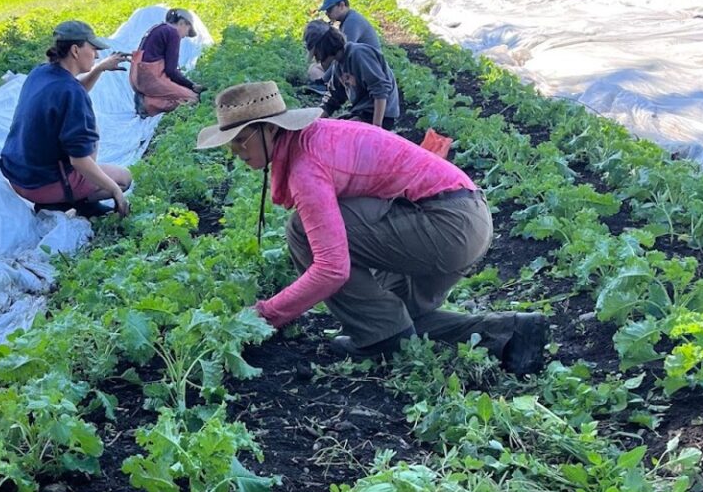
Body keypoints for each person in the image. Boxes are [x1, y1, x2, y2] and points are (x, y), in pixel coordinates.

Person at [195, 81, 547, 371]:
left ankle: (380, 338)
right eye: (230, 143)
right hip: (463, 217)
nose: (235, 151)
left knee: (303, 229)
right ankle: (510, 332)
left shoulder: (307, 164)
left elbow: (332, 269)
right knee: (398, 317)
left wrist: (265, 314)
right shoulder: (317, 138)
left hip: (446, 224)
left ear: (271, 129)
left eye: (241, 139)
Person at [0, 19, 132, 218]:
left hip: (18, 176)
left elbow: (72, 91)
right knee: (123, 178)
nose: (96, 55)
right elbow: (79, 161)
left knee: (85, 134)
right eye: (93, 48)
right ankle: (65, 203)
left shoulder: (40, 73)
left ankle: (64, 197)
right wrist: (114, 192)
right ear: (75, 51)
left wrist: (99, 69)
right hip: (43, 184)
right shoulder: (71, 93)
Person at [312, 25, 401, 129]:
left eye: (316, 54)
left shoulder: (359, 54)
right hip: (361, 112)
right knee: (329, 129)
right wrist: (316, 122)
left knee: (343, 133)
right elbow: (334, 97)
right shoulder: (338, 65)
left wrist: (376, 127)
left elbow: (380, 89)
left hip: (378, 114)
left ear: (324, 49)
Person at [130, 8, 201, 117]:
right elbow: (171, 71)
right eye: (187, 31)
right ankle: (148, 104)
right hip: (151, 77)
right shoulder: (173, 33)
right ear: (182, 23)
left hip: (136, 77)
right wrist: (191, 85)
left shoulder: (158, 28)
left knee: (176, 92)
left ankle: (147, 98)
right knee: (192, 98)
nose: (185, 36)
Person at [318, 0, 383, 51]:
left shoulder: (352, 21)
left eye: (329, 10)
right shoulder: (347, 19)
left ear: (341, 5)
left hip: (370, 61)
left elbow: (343, 52)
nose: (327, 13)